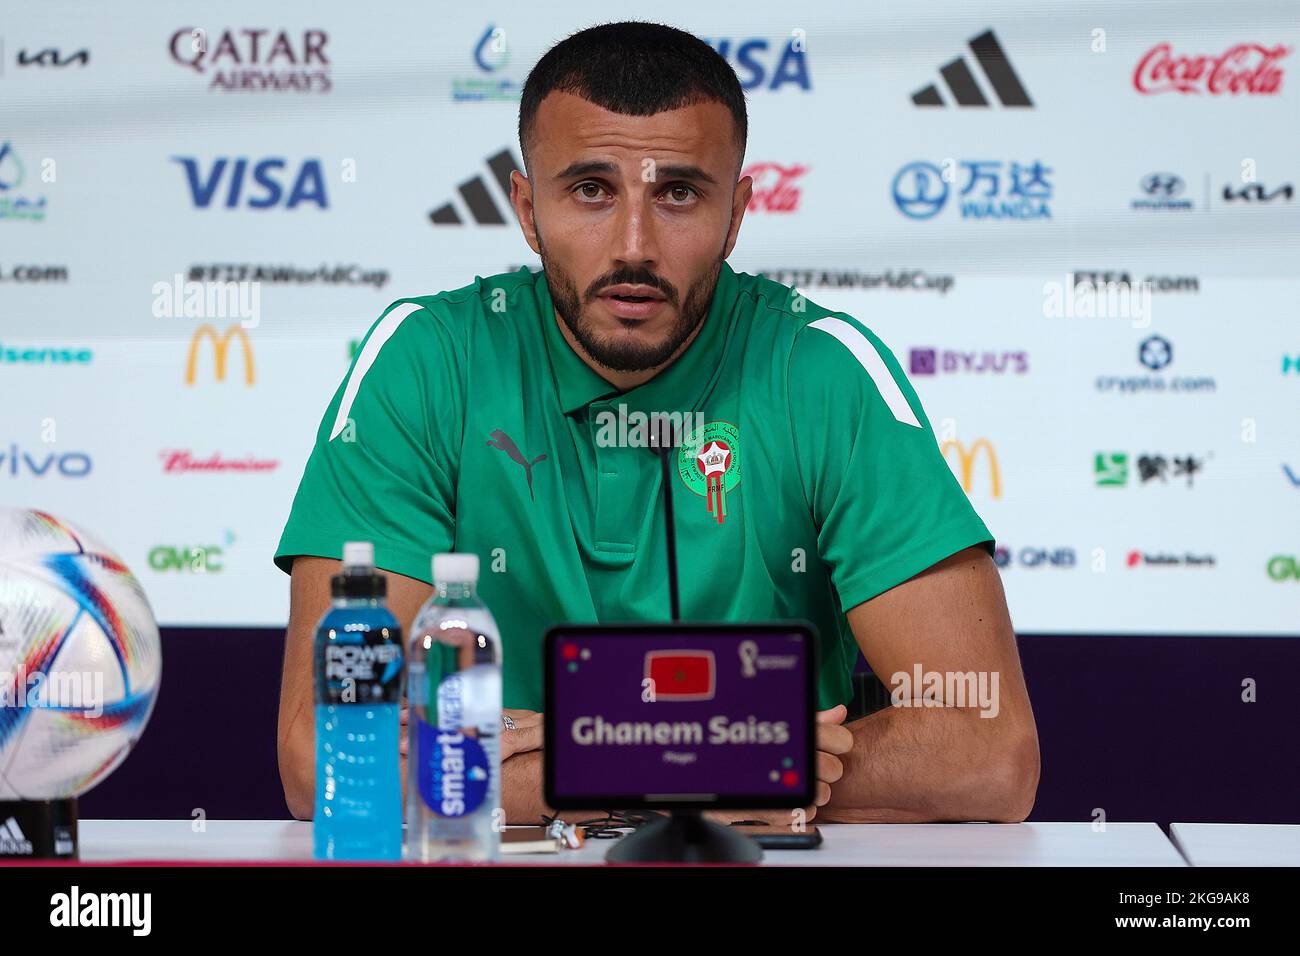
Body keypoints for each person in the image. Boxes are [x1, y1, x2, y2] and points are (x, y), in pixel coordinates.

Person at [275, 21, 1039, 826]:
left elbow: (993, 754)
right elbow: (322, 756)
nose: (634, 246)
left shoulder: (823, 371)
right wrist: (729, 762)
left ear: (737, 212)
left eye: (678, 192)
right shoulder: (425, 361)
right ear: (528, 211)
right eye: (592, 190)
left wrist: (566, 761)